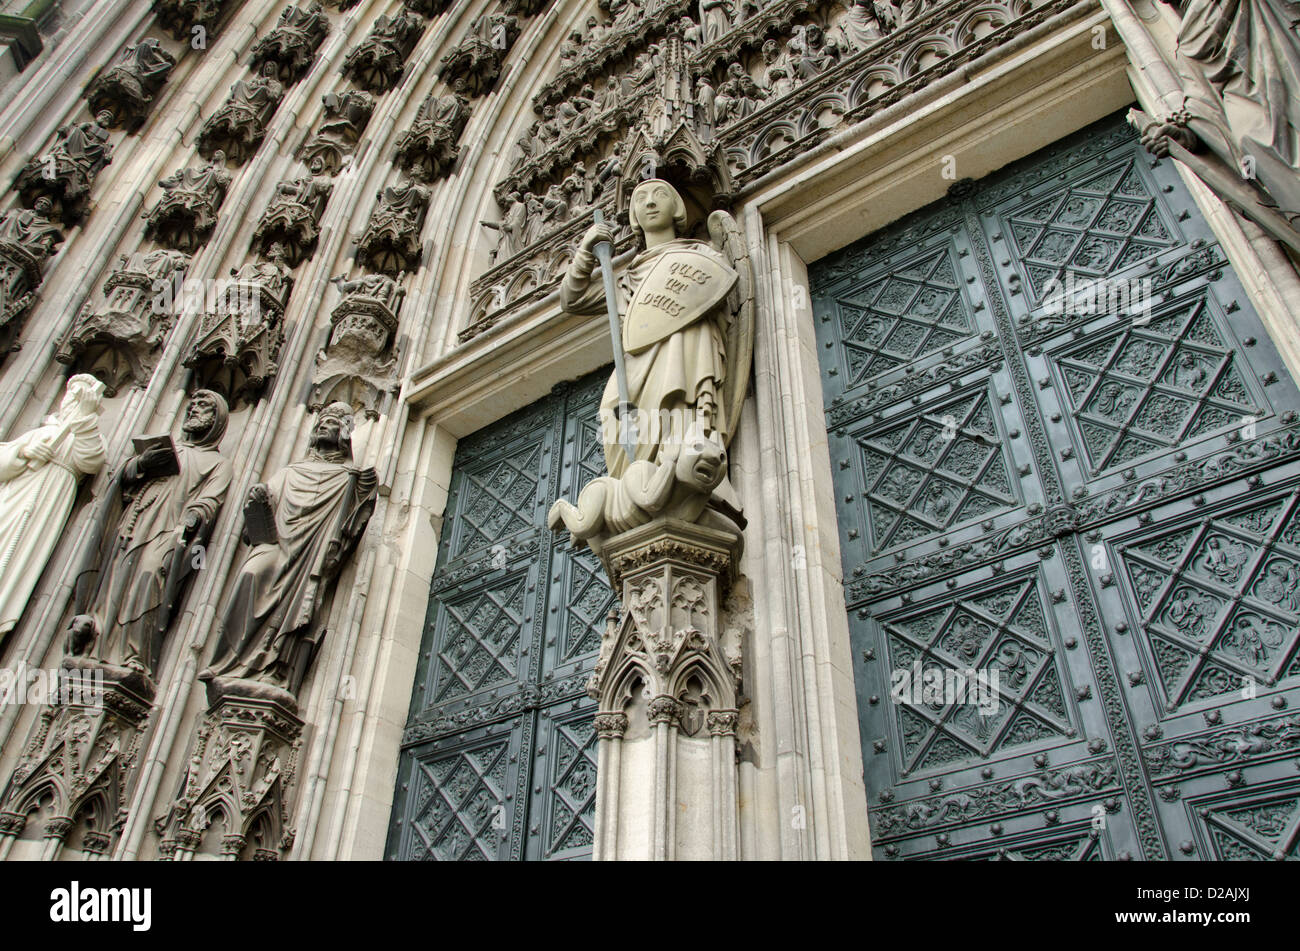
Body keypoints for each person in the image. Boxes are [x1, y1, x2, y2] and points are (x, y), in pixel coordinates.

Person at [199, 402, 376, 697]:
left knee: (296, 602)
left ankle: (274, 667)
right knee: (250, 574)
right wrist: (259, 498)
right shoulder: (290, 470)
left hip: (308, 558)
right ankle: (229, 663)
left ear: (345, 433)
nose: (322, 426)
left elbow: (347, 528)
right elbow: (256, 520)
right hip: (275, 545)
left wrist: (364, 489)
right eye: (320, 421)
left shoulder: (347, 477)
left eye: (331, 422)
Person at [69, 391, 231, 674]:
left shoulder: (217, 463)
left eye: (204, 406)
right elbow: (121, 477)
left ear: (217, 420)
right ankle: (97, 644)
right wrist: (141, 463)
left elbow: (210, 501)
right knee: (116, 578)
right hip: (135, 521)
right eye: (192, 405)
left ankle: (136, 654)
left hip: (171, 531)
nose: (194, 409)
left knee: (150, 573)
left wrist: (193, 517)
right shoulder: (170, 448)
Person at [0, 375, 107, 639]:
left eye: (82, 397)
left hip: (45, 510)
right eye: (72, 395)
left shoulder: (88, 434)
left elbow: (91, 460)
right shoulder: (42, 431)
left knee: (16, 564)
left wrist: (84, 418)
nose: (74, 401)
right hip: (13, 499)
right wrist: (24, 452)